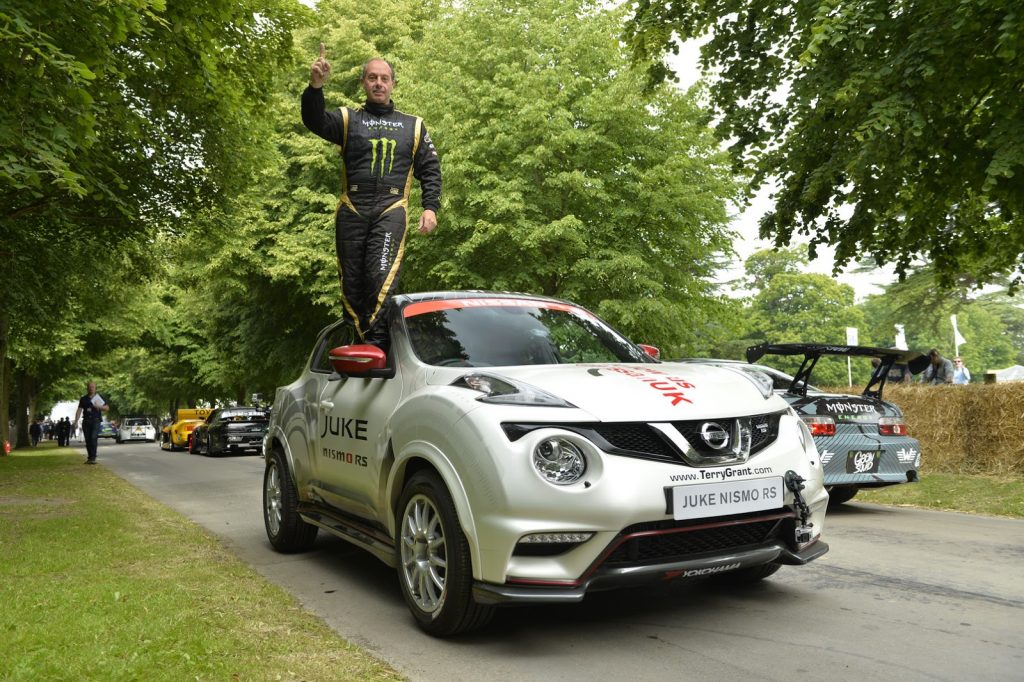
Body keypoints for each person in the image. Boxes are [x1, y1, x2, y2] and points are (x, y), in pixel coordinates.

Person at [301, 46, 442, 349]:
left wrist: (430, 207)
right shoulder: (348, 119)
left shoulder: (413, 125)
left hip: (391, 209)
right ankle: (356, 346)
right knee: (351, 285)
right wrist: (316, 87)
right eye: (372, 78)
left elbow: (431, 169)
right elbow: (314, 121)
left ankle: (377, 348)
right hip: (352, 209)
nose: (379, 83)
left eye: (385, 78)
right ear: (364, 83)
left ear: (393, 84)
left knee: (379, 279)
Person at [74, 381, 109, 464]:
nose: (91, 388)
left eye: (93, 387)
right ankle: (90, 457)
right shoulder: (83, 399)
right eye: (90, 387)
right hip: (86, 421)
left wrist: (99, 406)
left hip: (96, 420)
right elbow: (79, 410)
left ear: (95, 388)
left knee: (93, 437)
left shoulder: (99, 397)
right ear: (87, 388)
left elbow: (107, 408)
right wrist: (76, 421)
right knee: (88, 440)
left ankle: (93, 457)